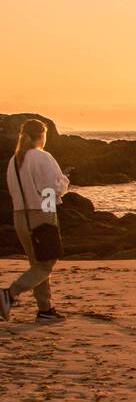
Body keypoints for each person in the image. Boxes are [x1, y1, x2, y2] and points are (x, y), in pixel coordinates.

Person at [2, 119, 70, 322]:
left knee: (37, 264)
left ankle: (45, 309)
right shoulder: (42, 156)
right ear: (42, 136)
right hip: (40, 213)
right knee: (46, 264)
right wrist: (64, 181)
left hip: (19, 216)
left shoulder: (15, 160)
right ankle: (9, 294)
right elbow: (53, 188)